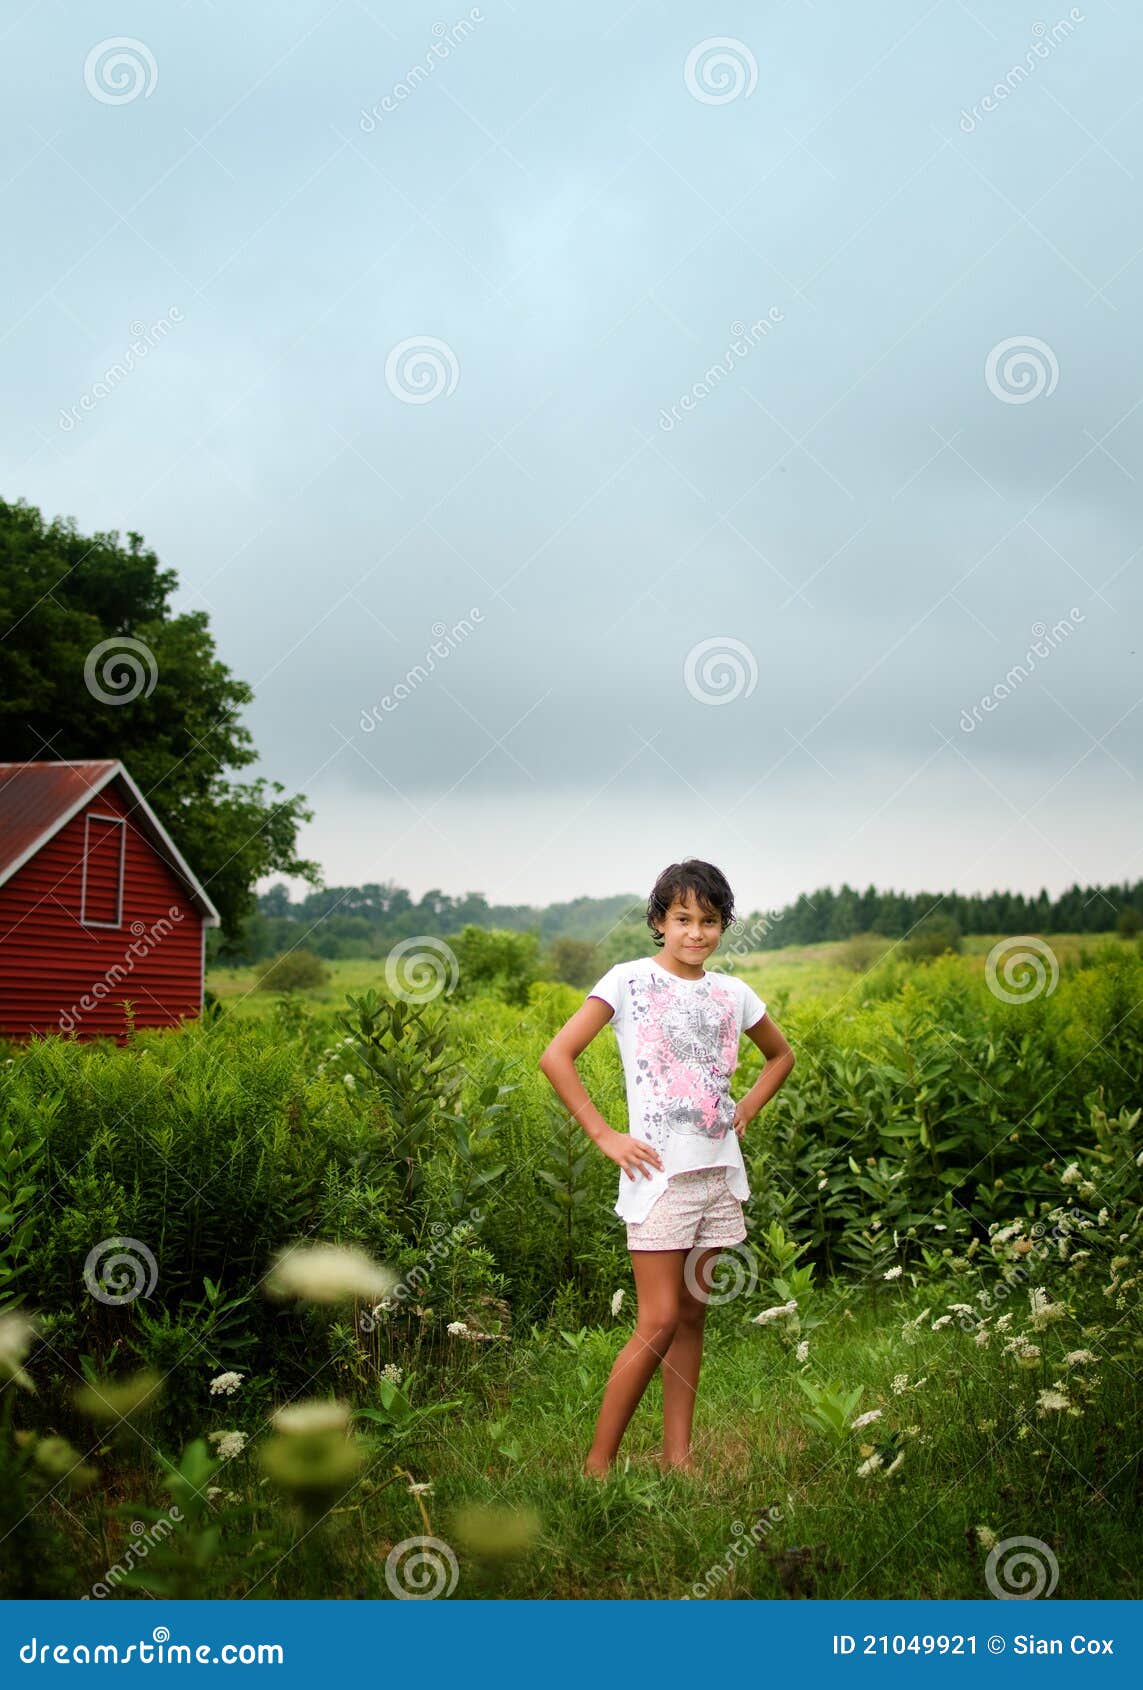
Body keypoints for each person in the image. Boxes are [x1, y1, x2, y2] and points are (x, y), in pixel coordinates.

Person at [538, 858, 795, 1477]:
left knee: (691, 1316)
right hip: (658, 1180)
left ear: (723, 926)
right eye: (683, 918)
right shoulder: (627, 981)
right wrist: (604, 1135)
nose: (696, 932)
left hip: (715, 1176)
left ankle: (677, 1458)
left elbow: (780, 1057)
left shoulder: (733, 993)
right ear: (659, 920)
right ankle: (598, 1466)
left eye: (709, 921)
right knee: (655, 1321)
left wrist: (746, 1110)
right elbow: (556, 1056)